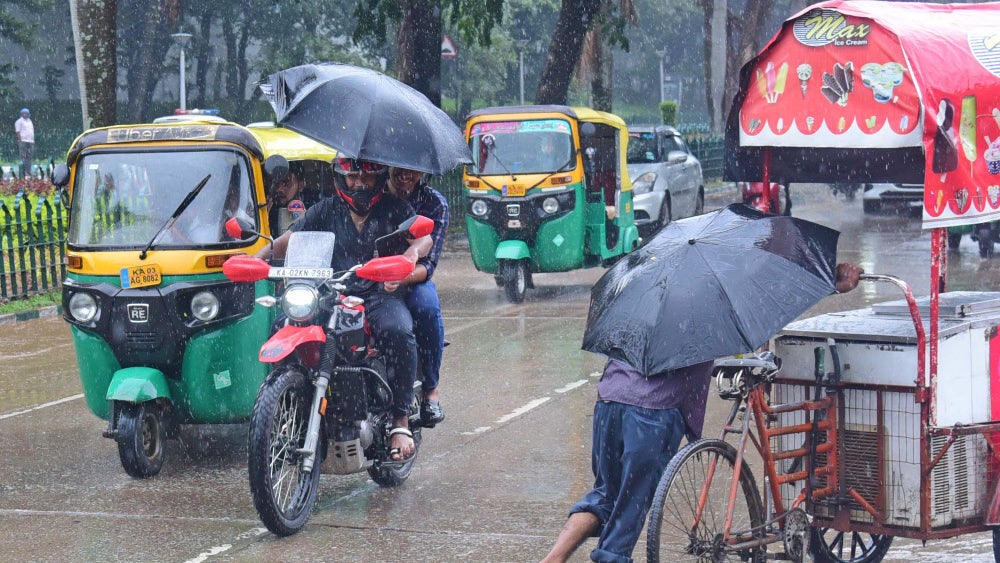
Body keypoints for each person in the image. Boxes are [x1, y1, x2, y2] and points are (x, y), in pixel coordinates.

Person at [541, 262, 864, 563]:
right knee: (631, 508)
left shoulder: (646, 287)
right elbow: (767, 312)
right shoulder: (709, 302)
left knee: (605, 496)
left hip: (610, 401)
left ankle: (554, 557)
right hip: (653, 414)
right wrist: (830, 284)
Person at [259, 157, 432, 461]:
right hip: (330, 293)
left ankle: (400, 421)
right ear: (341, 177)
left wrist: (409, 255)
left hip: (379, 295)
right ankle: (291, 408)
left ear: (379, 176)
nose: (359, 183)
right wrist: (254, 260)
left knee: (399, 331)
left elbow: (424, 238)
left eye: (366, 176)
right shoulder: (326, 209)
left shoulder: (395, 208)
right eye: (352, 177)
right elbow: (288, 241)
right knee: (283, 326)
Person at [387, 166, 449, 426]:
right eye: (398, 168)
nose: (405, 174)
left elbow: (428, 265)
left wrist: (401, 274)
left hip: (411, 280)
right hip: (366, 278)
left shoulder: (435, 204)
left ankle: (431, 389)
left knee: (426, 306)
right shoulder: (370, 193)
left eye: (413, 170)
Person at [268, 167, 322, 236]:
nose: (279, 189)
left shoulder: (316, 206)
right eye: (276, 184)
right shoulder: (268, 206)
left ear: (301, 185)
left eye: (285, 183)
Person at [14, 108, 34, 178]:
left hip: (30, 141)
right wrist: (20, 140)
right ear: (23, 114)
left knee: (29, 157)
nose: (27, 115)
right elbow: (18, 131)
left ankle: (28, 171)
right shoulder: (19, 121)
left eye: (28, 113)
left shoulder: (29, 121)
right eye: (26, 113)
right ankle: (23, 172)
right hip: (23, 141)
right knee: (23, 157)